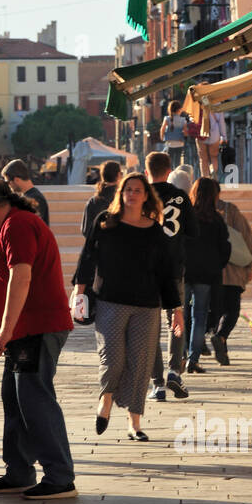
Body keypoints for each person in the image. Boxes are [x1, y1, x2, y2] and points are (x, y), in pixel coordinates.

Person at [0, 178, 75, 499]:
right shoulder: (15, 224)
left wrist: (5, 330)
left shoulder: (18, 226)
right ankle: (19, 470)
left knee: (35, 400)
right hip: (23, 331)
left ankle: (60, 475)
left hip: (34, 328)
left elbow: (21, 278)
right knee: (15, 399)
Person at [73, 173, 183, 441]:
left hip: (147, 305)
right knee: (113, 359)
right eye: (128, 190)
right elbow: (88, 257)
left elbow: (165, 274)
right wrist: (79, 292)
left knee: (140, 363)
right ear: (121, 194)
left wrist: (176, 310)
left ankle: (135, 423)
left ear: (146, 196)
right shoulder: (106, 223)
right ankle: (106, 398)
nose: (132, 194)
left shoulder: (155, 231)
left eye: (137, 190)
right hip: (110, 300)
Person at [146, 152, 197, 402]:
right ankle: (175, 369)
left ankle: (156, 383)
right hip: (175, 267)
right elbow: (193, 232)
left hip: (147, 269)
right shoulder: (180, 197)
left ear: (147, 171)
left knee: (151, 326)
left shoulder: (140, 195)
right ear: (169, 171)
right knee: (176, 319)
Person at [182, 178, 230, 374]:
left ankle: (180, 355)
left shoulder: (185, 216)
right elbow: (225, 247)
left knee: (180, 315)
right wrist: (217, 265)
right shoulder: (216, 219)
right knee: (199, 316)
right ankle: (193, 358)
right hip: (206, 274)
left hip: (184, 272)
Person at [209, 194, 252, 365]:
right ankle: (221, 338)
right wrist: (250, 263)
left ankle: (223, 348)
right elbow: (246, 236)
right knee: (232, 310)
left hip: (209, 272)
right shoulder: (230, 211)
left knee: (218, 311)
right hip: (233, 270)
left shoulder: (196, 211)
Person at [80, 160, 123, 239]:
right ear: (118, 175)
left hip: (99, 247)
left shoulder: (93, 201)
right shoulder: (124, 199)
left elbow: (86, 230)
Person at [2, 159, 49, 225]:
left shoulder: (35, 198)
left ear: (16, 180)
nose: (8, 186)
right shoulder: (30, 196)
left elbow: (30, 225)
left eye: (8, 182)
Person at [196, 110, 226, 179]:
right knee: (214, 157)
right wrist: (224, 136)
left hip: (201, 134)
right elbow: (221, 123)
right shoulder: (218, 105)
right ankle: (213, 173)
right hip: (214, 135)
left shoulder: (199, 104)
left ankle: (205, 177)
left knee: (203, 159)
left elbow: (193, 118)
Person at [159, 100, 190, 168]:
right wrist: (185, 137)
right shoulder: (183, 120)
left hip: (170, 143)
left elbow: (162, 129)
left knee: (169, 162)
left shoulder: (167, 118)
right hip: (179, 142)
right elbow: (185, 132)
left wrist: (162, 137)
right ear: (179, 109)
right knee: (177, 162)